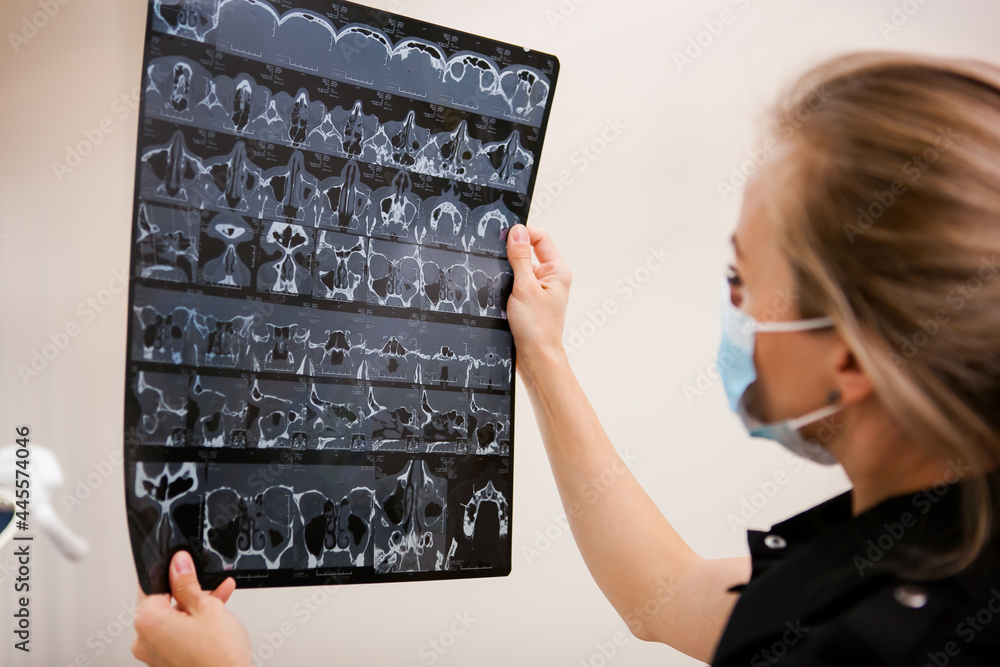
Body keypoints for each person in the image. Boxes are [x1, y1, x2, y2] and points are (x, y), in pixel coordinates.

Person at [133, 51, 1000, 665]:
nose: (731, 307)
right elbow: (664, 595)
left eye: (743, 279)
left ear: (848, 358)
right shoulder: (943, 533)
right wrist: (542, 350)